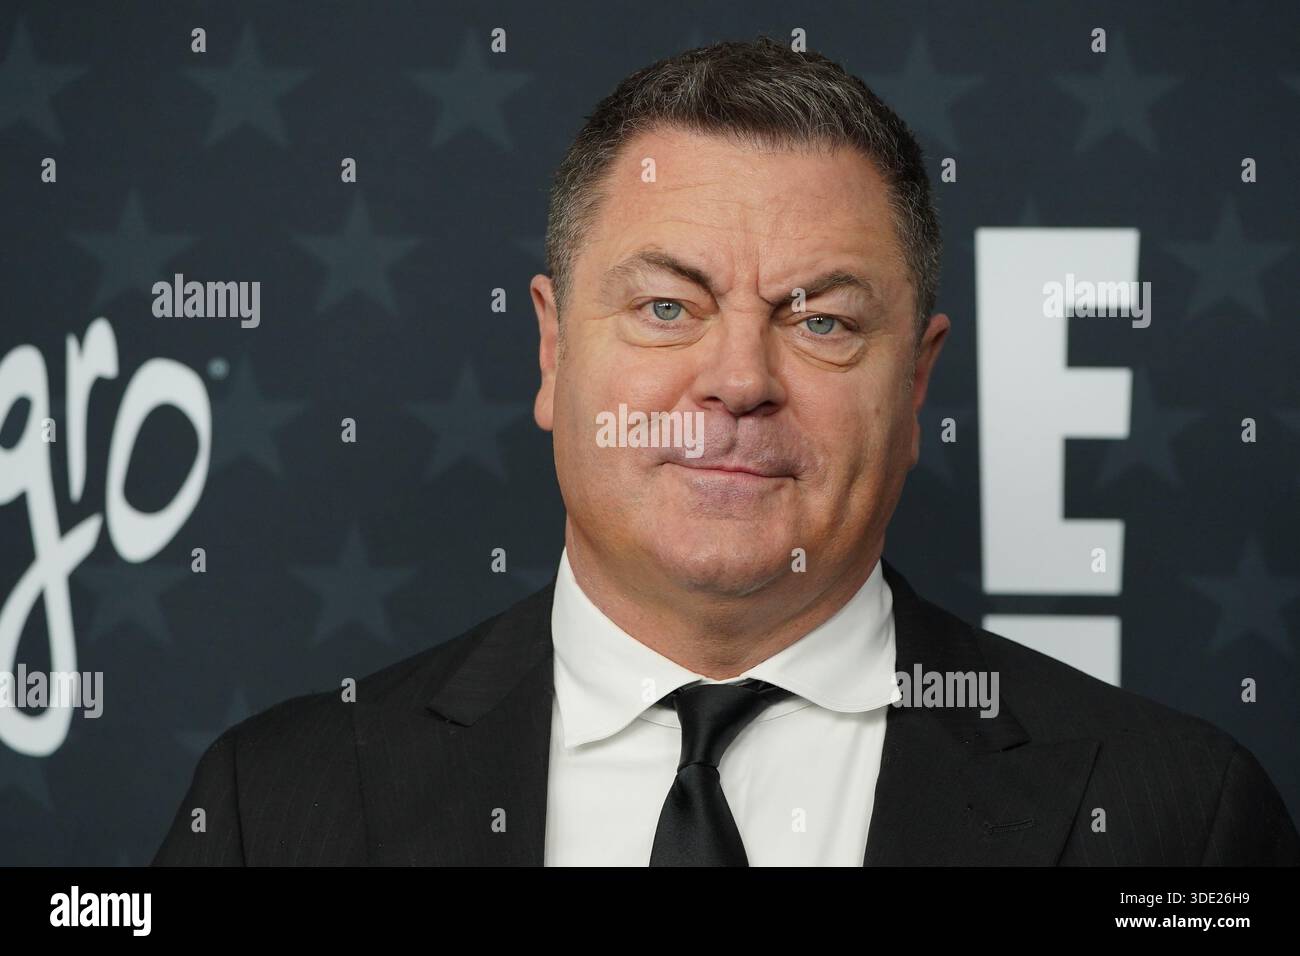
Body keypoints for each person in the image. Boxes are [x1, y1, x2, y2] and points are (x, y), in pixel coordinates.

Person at [152, 37, 1298, 866]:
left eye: (823, 321)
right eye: (664, 307)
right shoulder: (278, 807)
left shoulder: (1176, 819)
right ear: (553, 350)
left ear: (916, 385)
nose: (740, 379)